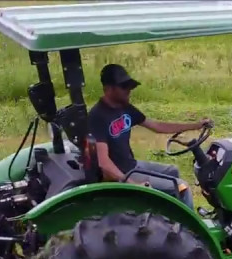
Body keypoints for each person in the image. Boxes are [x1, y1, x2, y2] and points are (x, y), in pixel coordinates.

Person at [87, 63, 210, 209]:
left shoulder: (124, 107)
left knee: (173, 171)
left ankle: (168, 218)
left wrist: (196, 125)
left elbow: (157, 126)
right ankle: (189, 230)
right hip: (123, 174)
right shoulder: (97, 117)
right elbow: (104, 164)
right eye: (124, 87)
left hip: (132, 165)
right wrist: (134, 185)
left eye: (130, 86)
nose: (129, 91)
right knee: (182, 187)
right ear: (108, 89)